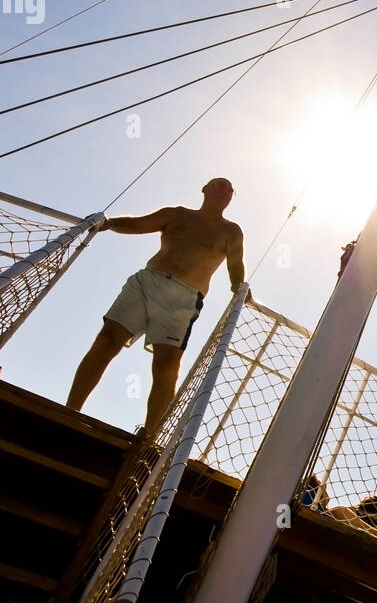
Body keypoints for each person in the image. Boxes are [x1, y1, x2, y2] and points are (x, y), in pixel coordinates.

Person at [65, 178, 245, 439]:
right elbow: (139, 224)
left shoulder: (232, 231)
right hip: (147, 282)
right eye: (219, 185)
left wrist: (239, 287)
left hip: (184, 297)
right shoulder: (177, 214)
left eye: (229, 190)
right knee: (107, 340)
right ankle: (70, 411)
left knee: (167, 363)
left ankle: (148, 439)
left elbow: (236, 265)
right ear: (204, 189)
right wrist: (109, 222)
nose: (225, 191)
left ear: (231, 199)